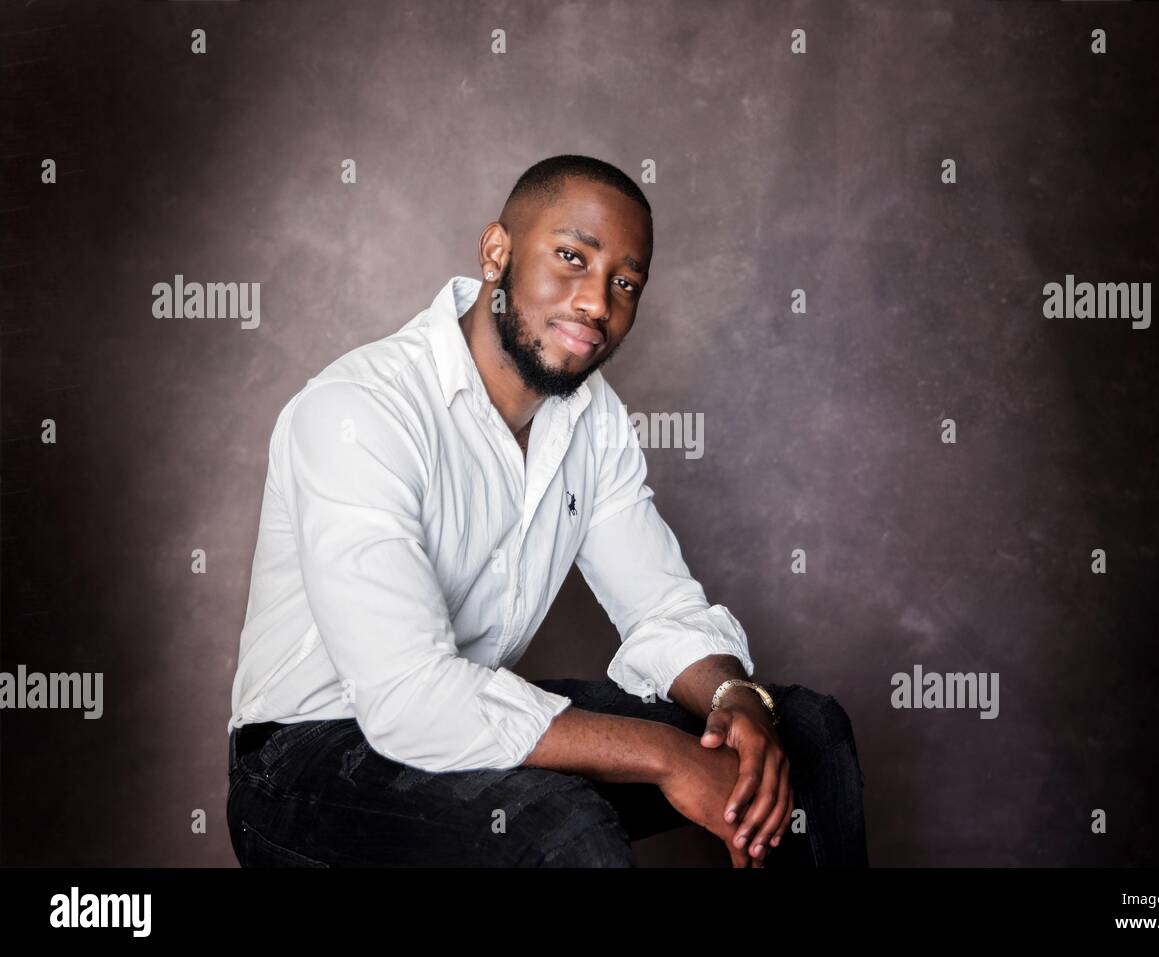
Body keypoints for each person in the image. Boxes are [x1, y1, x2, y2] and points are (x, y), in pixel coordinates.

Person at [226, 154, 868, 867]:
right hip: (303, 760)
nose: (597, 302)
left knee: (801, 737)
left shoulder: (593, 420)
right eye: (571, 257)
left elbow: (660, 610)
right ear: (497, 252)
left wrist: (735, 696)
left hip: (479, 721)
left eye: (624, 282)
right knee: (560, 827)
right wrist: (666, 755)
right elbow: (408, 699)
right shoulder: (358, 410)